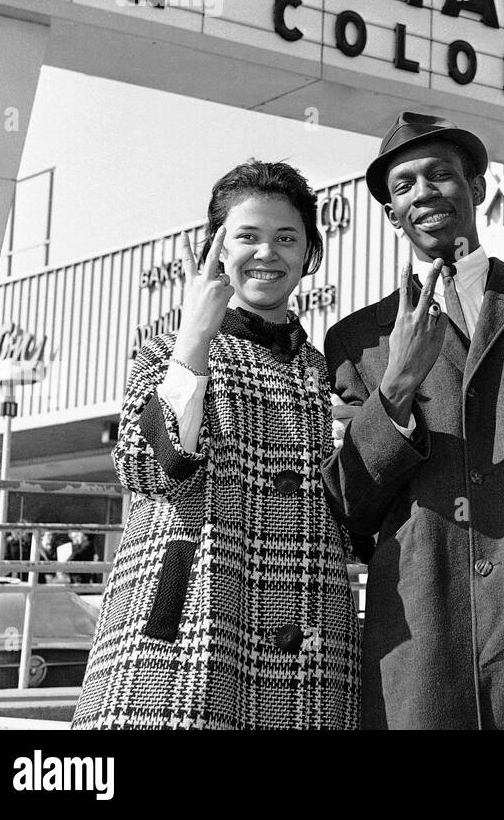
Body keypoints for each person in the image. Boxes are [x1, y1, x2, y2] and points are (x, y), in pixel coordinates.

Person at [322, 111, 504, 729]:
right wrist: (396, 387)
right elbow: (349, 506)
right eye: (403, 187)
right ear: (392, 215)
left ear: (477, 188)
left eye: (441, 175)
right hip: (421, 639)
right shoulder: (356, 341)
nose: (424, 193)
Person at [74, 161, 360, 729]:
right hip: (187, 630)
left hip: (309, 639)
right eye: (247, 236)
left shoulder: (330, 375)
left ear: (309, 254)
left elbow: (354, 521)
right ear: (217, 250)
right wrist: (195, 340)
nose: (267, 253)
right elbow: (143, 469)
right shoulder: (169, 352)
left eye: (287, 238)